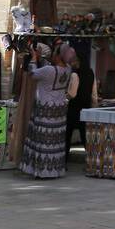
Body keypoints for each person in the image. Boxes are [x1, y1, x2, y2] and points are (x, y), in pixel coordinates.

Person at [18, 43, 72, 179]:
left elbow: (32, 73)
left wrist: (34, 58)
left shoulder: (49, 70)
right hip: (59, 109)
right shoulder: (68, 69)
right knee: (55, 141)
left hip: (45, 108)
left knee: (43, 140)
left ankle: (41, 171)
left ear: (59, 55)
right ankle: (55, 170)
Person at [65, 45, 96, 156]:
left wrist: (65, 98)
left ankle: (64, 160)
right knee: (84, 136)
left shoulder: (74, 74)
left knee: (67, 135)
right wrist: (94, 106)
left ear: (78, 60)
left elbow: (72, 94)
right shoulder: (90, 72)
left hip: (74, 108)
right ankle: (90, 161)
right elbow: (94, 93)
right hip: (85, 107)